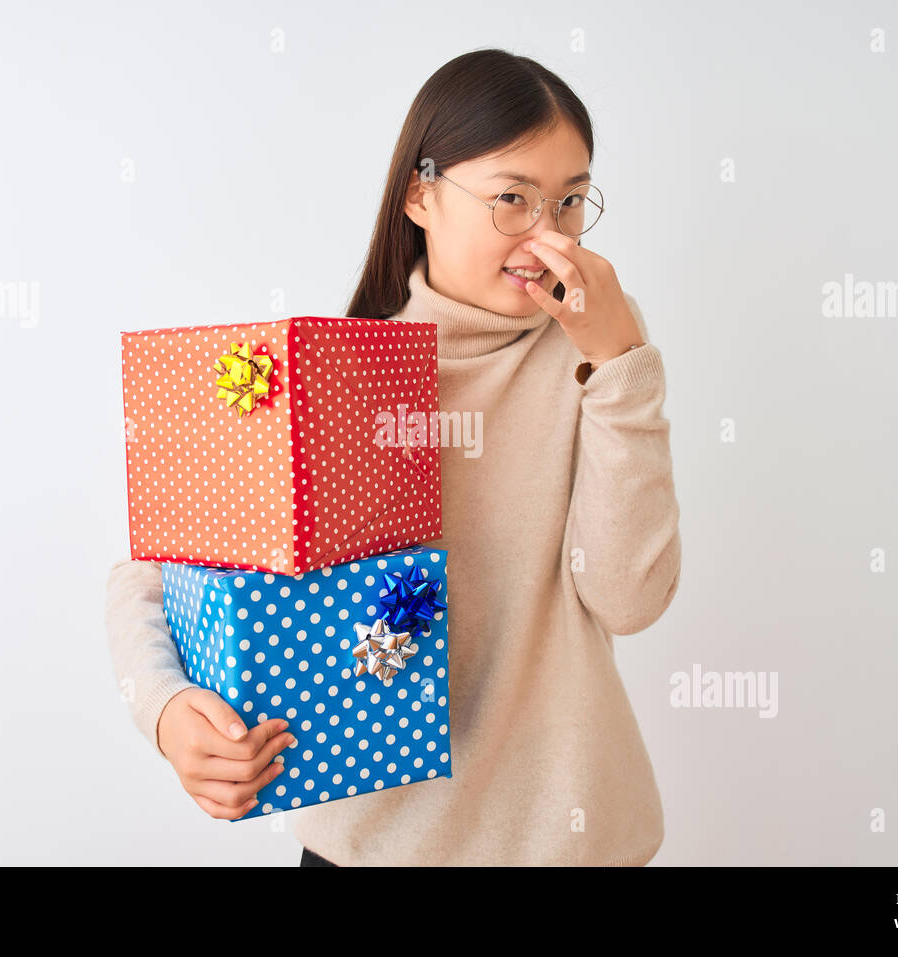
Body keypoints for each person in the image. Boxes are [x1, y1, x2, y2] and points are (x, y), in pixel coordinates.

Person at [105, 47, 682, 866]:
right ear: (420, 193)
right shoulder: (330, 373)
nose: (546, 236)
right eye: (511, 199)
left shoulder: (597, 355)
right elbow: (152, 571)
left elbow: (630, 596)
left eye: (570, 201)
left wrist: (619, 366)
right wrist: (165, 710)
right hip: (370, 849)